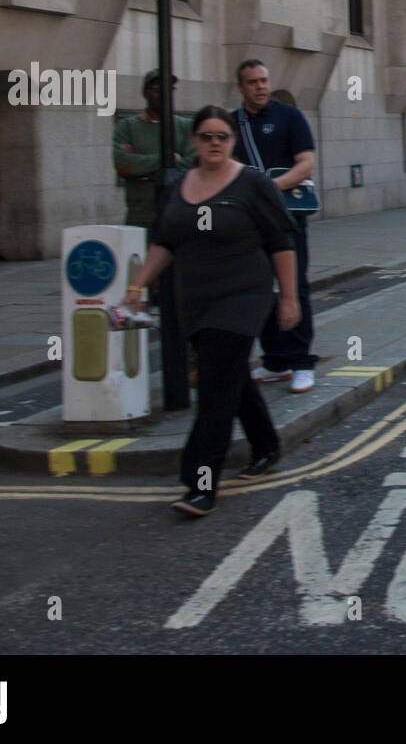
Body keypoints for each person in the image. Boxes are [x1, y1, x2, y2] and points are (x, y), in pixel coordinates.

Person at [123, 105, 300, 517]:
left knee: (214, 388)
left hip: (242, 296)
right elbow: (164, 242)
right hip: (194, 299)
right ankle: (266, 445)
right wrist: (137, 286)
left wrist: (289, 298)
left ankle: (200, 483)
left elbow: (281, 242)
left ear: (233, 141)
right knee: (230, 376)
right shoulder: (177, 185)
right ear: (194, 141)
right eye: (207, 136)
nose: (215, 143)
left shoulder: (254, 184)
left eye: (222, 136)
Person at [231, 59, 318, 393]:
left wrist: (272, 187)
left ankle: (301, 362)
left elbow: (306, 163)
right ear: (241, 87)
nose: (261, 87)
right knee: (259, 289)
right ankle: (275, 361)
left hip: (287, 216)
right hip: (250, 220)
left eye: (264, 80)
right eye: (252, 82)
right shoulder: (232, 123)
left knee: (294, 287)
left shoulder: (289, 117)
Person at [112, 70, 195, 228]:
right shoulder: (127, 127)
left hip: (178, 212)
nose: (164, 94)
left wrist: (142, 168)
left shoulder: (185, 127)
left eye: (169, 89)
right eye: (157, 89)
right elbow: (123, 165)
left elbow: (191, 168)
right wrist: (170, 160)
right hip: (140, 215)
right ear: (145, 92)